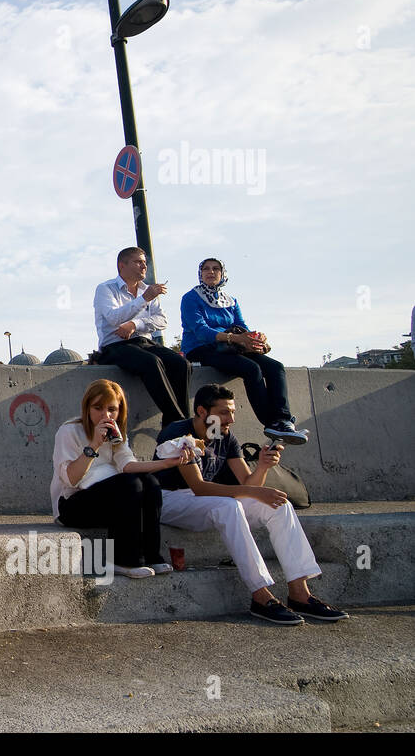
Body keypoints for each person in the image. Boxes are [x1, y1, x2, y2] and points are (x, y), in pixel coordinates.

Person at [153, 384, 348, 625]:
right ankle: (260, 595)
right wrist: (254, 491)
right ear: (202, 411)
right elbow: (199, 487)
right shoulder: (179, 433)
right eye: (224, 412)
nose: (231, 419)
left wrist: (264, 466)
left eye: (233, 412)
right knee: (229, 507)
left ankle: (300, 593)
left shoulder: (225, 436)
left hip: (207, 501)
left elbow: (247, 481)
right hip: (169, 499)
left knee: (279, 504)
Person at [50, 380, 192, 579]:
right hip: (71, 505)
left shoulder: (117, 433)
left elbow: (128, 465)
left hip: (108, 501)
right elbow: (70, 479)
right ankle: (122, 560)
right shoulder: (69, 431)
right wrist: (94, 446)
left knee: (150, 483)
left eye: (112, 409)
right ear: (87, 408)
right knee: (129, 484)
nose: (105, 415)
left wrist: (167, 463)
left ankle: (151, 555)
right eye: (98, 408)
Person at [181, 258, 308, 444]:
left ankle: (283, 419)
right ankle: (271, 423)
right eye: (206, 269)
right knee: (251, 369)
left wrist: (255, 339)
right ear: (200, 274)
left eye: (216, 268)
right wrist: (235, 338)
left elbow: (241, 326)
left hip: (230, 347)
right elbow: (201, 331)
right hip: (202, 348)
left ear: (222, 274)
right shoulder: (190, 298)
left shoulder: (230, 300)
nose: (210, 272)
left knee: (275, 367)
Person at [93, 246, 190, 425]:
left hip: (144, 342)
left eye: (144, 262)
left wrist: (135, 324)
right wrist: (144, 298)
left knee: (181, 364)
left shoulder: (146, 290)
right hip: (115, 346)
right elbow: (114, 318)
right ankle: (179, 421)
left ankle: (177, 421)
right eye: (138, 262)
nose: (143, 266)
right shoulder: (106, 289)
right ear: (122, 266)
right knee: (151, 363)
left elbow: (162, 320)